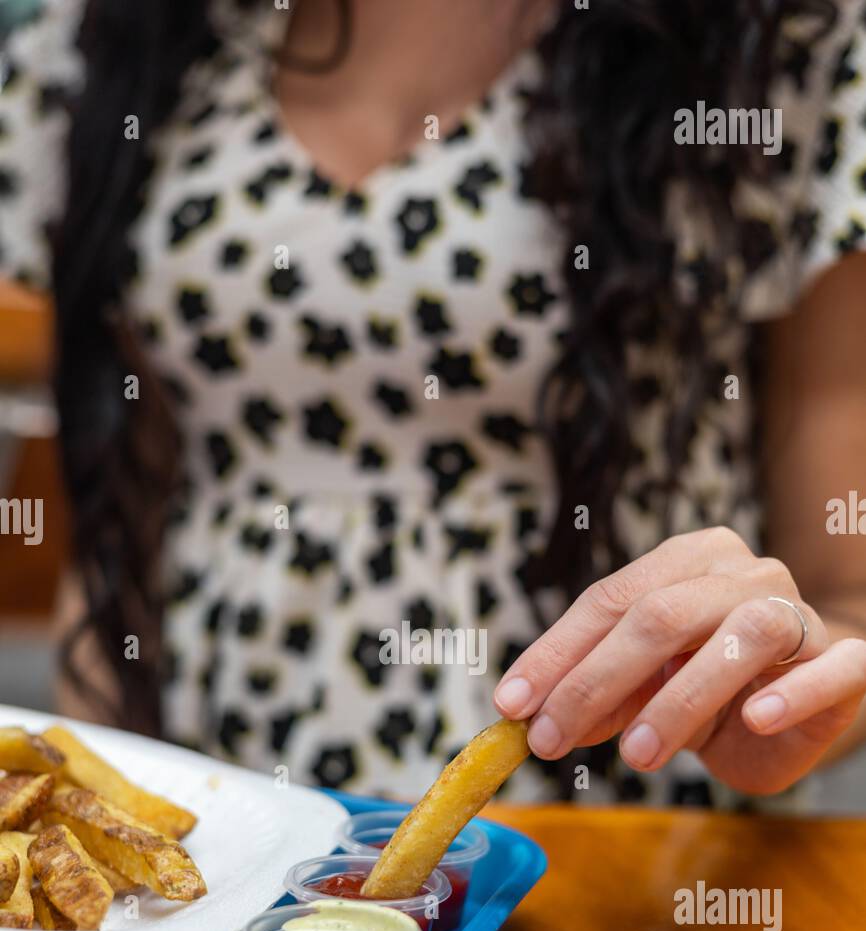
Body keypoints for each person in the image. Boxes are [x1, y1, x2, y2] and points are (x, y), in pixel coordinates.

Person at [1, 0, 865, 806]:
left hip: (616, 843)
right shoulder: (122, 35)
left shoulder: (767, 43)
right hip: (227, 832)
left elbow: (844, 601)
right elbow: (118, 525)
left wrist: (785, 692)